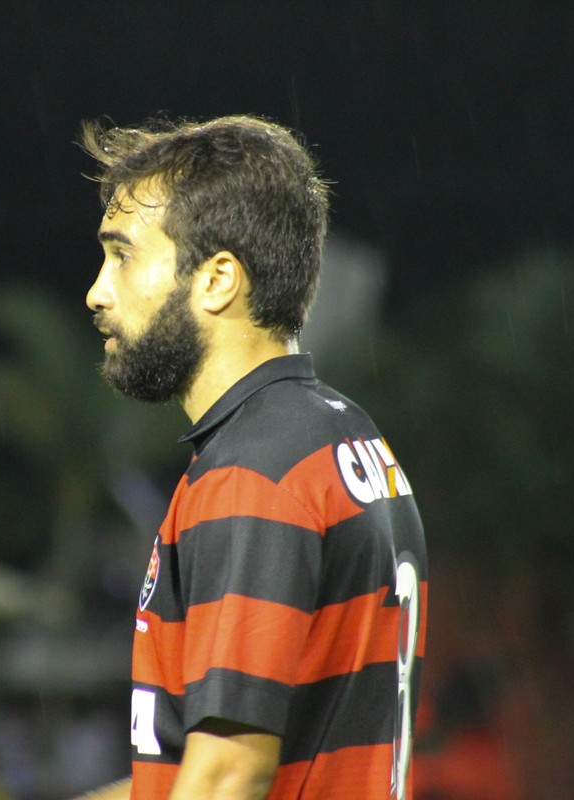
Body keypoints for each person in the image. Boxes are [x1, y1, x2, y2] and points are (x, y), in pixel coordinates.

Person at [75, 115, 427, 799]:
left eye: (122, 256)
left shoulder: (252, 473)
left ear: (217, 280)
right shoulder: (340, 435)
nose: (98, 290)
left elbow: (228, 774)